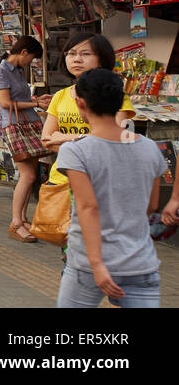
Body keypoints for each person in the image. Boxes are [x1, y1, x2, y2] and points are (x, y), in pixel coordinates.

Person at [56, 69, 167, 308]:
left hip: (87, 265)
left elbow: (88, 207)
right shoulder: (149, 148)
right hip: (139, 262)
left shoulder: (76, 150)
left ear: (80, 103)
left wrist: (98, 265)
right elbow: (152, 205)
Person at [41, 32, 134, 261]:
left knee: (88, 253)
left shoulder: (116, 97)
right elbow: (46, 140)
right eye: (71, 54)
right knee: (71, 253)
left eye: (85, 54)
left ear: (101, 59)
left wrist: (64, 138)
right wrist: (85, 139)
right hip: (62, 182)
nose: (76, 59)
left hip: (99, 185)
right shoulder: (60, 96)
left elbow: (117, 140)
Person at [0, 36, 50, 242]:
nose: (31, 63)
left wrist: (36, 101)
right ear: (24, 52)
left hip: (28, 124)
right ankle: (16, 222)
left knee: (32, 174)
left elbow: (21, 98)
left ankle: (23, 218)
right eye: (32, 58)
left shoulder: (17, 71)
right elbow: (6, 103)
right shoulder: (1, 72)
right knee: (28, 176)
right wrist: (35, 104)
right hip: (15, 127)